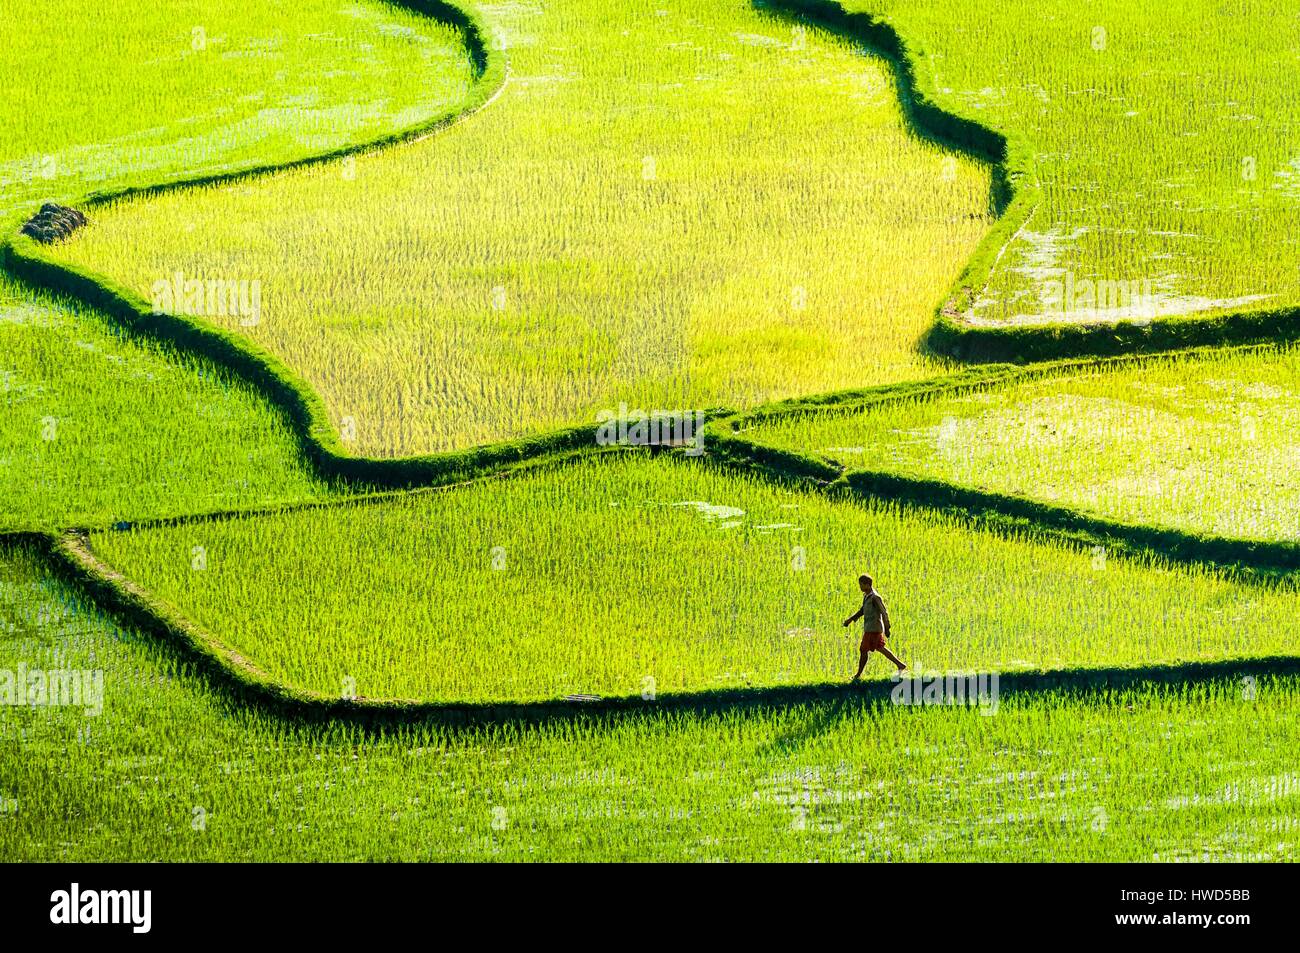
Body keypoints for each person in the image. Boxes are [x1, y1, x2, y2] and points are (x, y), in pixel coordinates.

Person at [842, 573, 906, 680]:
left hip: (874, 629)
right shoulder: (867, 596)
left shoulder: (875, 597)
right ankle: (900, 665)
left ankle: (858, 675)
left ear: (867, 585)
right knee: (880, 648)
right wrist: (850, 620)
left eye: (861, 585)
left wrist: (887, 628)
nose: (860, 587)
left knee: (863, 650)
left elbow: (884, 612)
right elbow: (862, 610)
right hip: (870, 628)